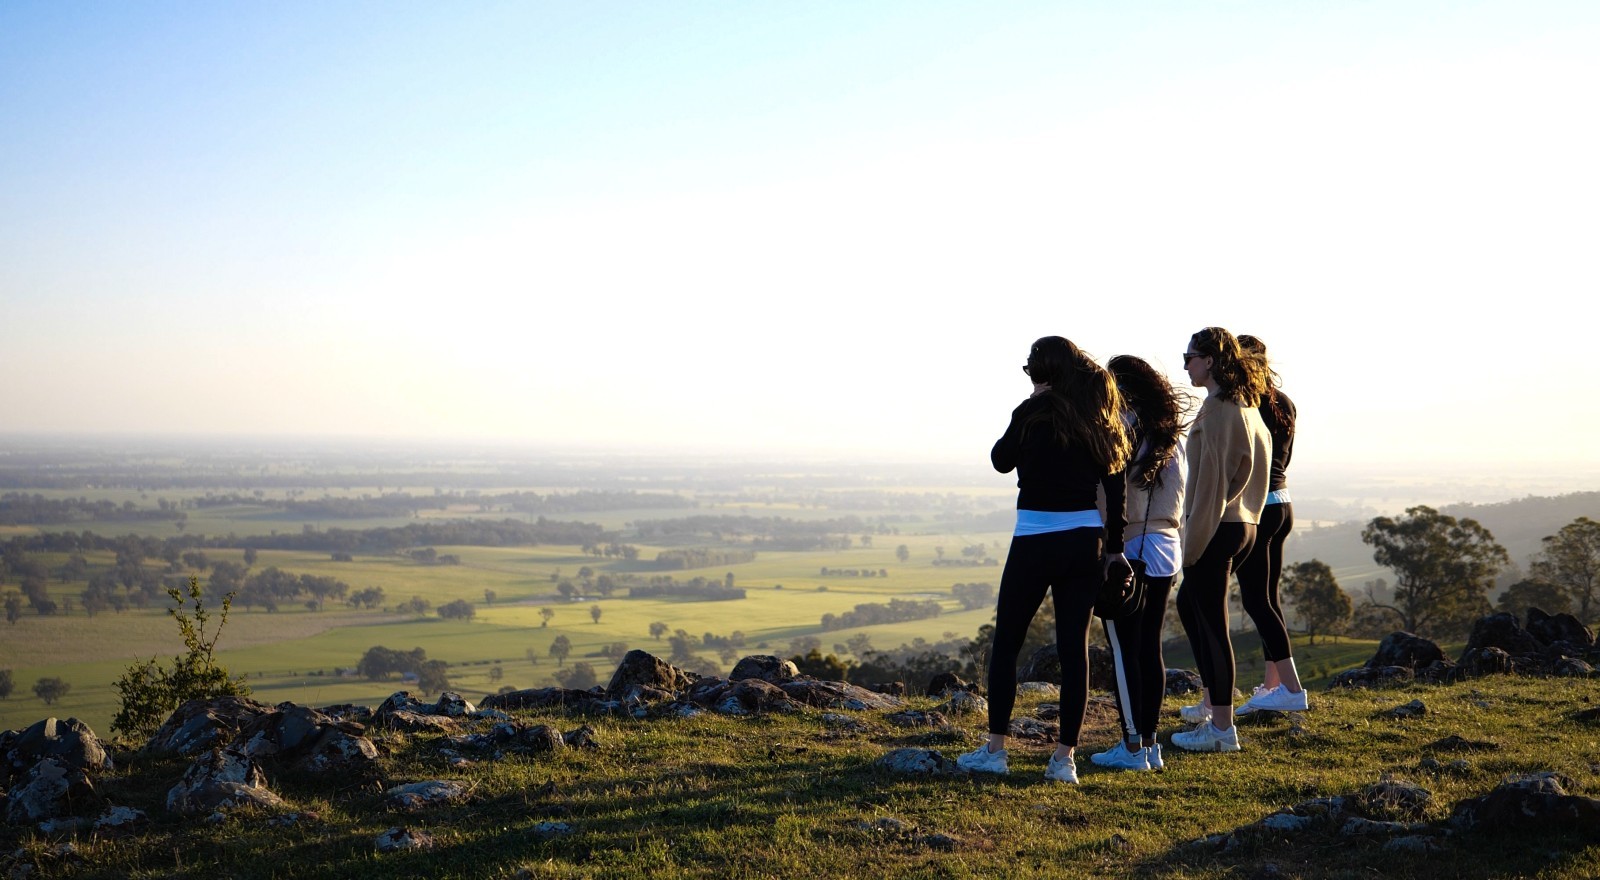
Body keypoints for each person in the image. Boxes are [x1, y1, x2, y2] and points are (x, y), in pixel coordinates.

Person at [958, 336, 1131, 783]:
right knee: (1075, 650)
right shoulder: (1100, 418)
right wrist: (1114, 550)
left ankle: (996, 751)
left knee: (1008, 645)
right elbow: (1116, 491)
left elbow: (1000, 460)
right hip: (1085, 544)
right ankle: (1063, 759)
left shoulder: (1033, 412)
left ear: (1042, 372)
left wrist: (1032, 404)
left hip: (1034, 539)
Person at [1170, 327, 1271, 753]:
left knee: (1213, 625)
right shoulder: (1247, 406)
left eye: (1189, 357)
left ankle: (1222, 728)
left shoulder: (1216, 409)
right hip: (1244, 523)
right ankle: (1214, 708)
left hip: (1217, 525)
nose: (1185, 365)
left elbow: (1209, 484)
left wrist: (1190, 546)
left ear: (1210, 360)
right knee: (1190, 607)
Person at [1089, 355, 1191, 772]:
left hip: (1129, 548)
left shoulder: (1120, 431)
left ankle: (1131, 746)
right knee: (1150, 647)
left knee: (1123, 649)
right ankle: (1150, 745)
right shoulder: (1172, 435)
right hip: (1168, 546)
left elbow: (1107, 496)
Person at [1231, 334, 1308, 715]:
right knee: (1268, 598)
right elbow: (1285, 458)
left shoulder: (1245, 404)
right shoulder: (1284, 402)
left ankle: (1291, 689)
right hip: (1283, 504)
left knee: (1255, 599)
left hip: (1257, 509)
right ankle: (1273, 685)